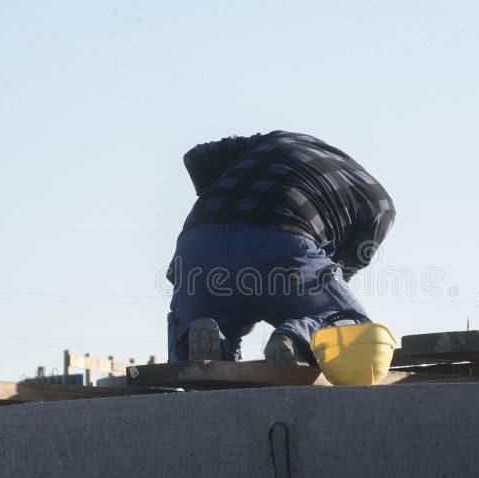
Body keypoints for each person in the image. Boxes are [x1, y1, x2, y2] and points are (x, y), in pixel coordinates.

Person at [166, 130, 395, 365]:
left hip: (198, 247)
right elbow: (339, 273)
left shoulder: (273, 140)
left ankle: (197, 346)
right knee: (353, 325)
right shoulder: (381, 205)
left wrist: (224, 215)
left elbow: (197, 158)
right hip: (281, 243)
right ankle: (299, 339)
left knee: (210, 318)